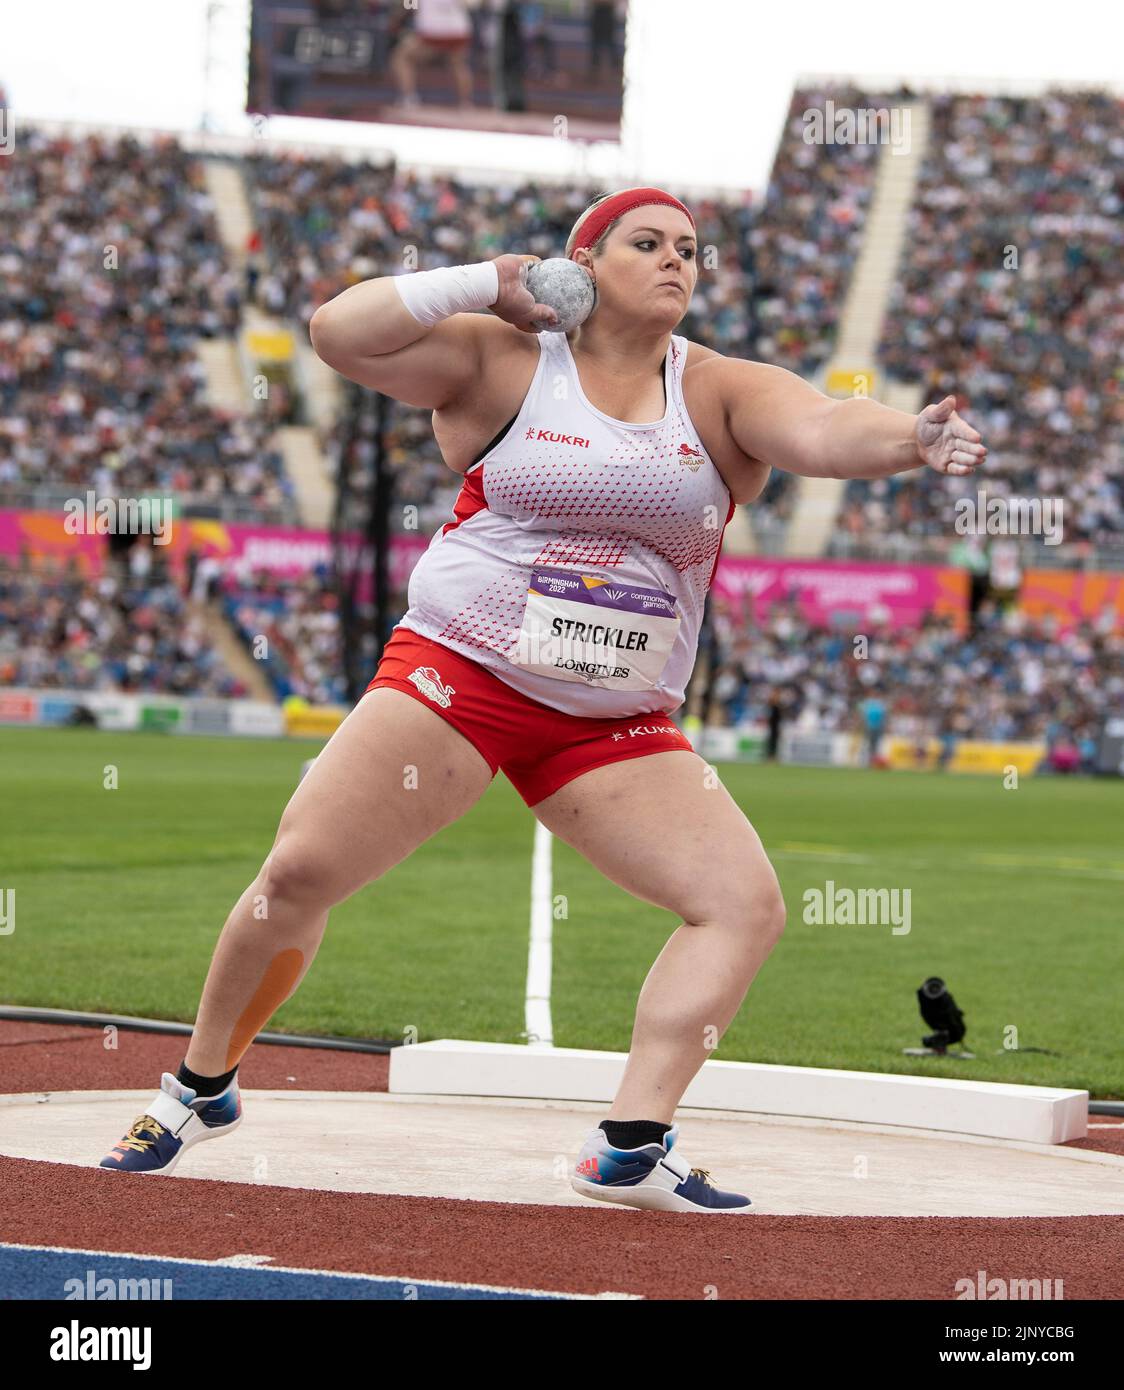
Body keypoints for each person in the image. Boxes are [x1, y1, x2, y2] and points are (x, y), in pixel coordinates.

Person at [100, 185, 987, 1213]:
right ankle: (201, 1085)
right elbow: (336, 331)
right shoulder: (501, 358)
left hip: (613, 719)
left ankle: (630, 1141)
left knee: (739, 904)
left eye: (689, 250)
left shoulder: (717, 390)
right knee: (299, 868)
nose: (674, 262)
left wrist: (908, 440)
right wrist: (491, 282)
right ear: (581, 261)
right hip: (459, 673)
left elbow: (828, 426)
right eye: (645, 243)